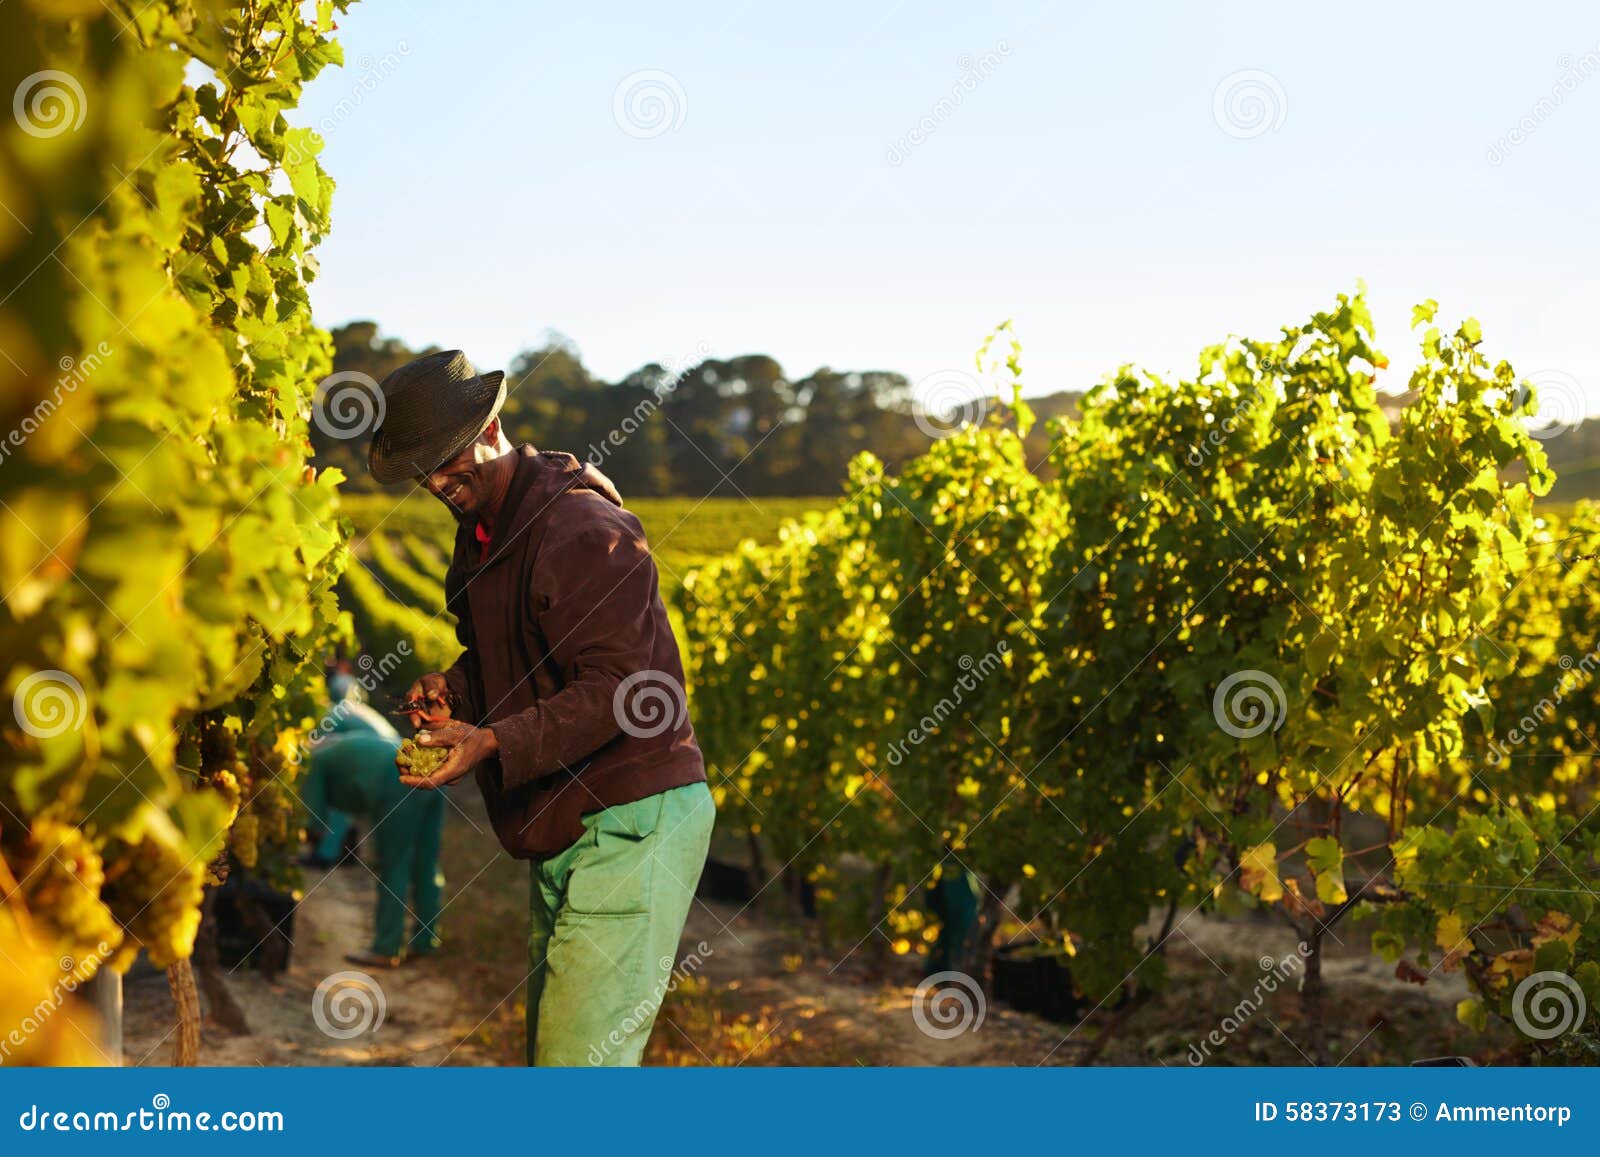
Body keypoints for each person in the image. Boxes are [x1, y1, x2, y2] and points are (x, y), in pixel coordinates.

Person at [366, 349, 714, 1065]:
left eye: (446, 457)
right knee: (556, 1063)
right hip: (568, 823)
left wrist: (491, 741)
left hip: (632, 818)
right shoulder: (480, 541)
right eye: (420, 469)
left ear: (492, 425)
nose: (435, 481)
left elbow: (627, 687)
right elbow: (514, 658)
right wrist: (454, 690)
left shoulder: (579, 526)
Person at [302, 678, 445, 967]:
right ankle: (425, 942)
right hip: (430, 770)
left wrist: (314, 844)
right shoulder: (338, 746)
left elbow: (315, 820)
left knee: (394, 866)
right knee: (425, 861)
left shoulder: (312, 763)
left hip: (397, 784)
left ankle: (386, 948)